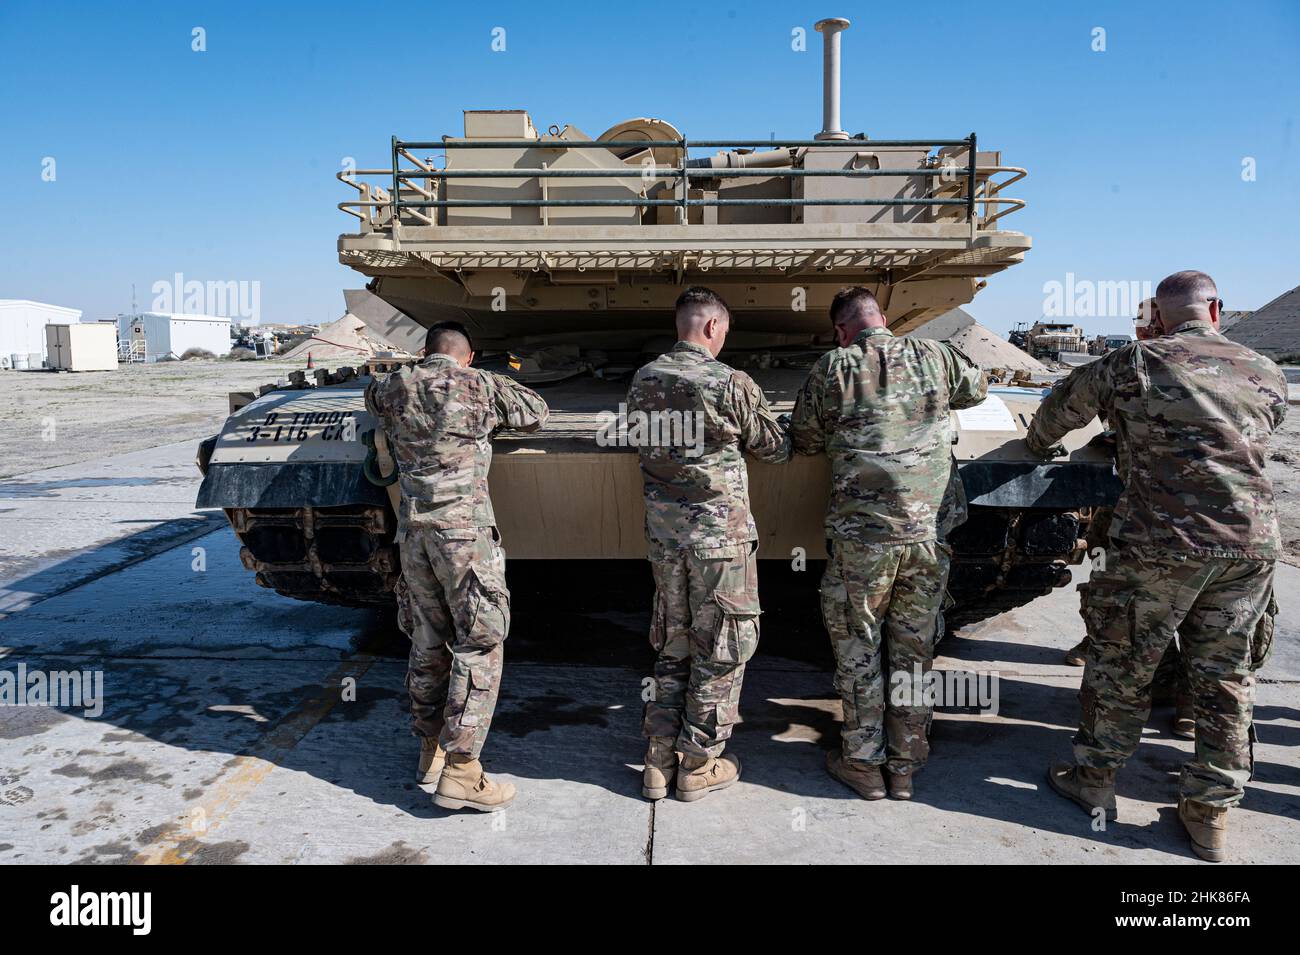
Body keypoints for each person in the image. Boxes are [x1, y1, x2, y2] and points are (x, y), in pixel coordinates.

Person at [1032, 272, 1286, 861]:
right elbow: (1251, 436)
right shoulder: (1264, 368)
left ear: (1159, 315)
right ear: (1216, 309)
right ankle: (1211, 812)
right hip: (1249, 546)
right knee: (1225, 678)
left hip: (1157, 542)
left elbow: (1057, 413)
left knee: (1122, 662)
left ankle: (1094, 780)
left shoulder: (1133, 362)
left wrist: (1052, 446)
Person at [789, 287, 987, 800]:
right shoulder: (935, 354)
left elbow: (805, 438)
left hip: (864, 540)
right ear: (883, 318)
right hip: (925, 536)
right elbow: (978, 389)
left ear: (841, 330)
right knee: (914, 649)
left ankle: (862, 762)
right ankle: (905, 764)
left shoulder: (832, 368)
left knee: (859, 647)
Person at [365, 321, 549, 812]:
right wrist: (493, 378)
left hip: (415, 537)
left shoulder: (391, 387)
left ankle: (429, 749)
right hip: (464, 538)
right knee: (480, 642)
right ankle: (463, 769)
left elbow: (371, 400)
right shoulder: (481, 384)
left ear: (425, 352)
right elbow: (536, 414)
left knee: (427, 641)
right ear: (467, 357)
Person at [627, 287, 790, 802]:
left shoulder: (644, 378)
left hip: (665, 539)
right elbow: (776, 449)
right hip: (719, 542)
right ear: (714, 328)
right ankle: (697, 764)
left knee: (672, 643)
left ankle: (657, 760)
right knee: (722, 648)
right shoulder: (731, 383)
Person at [1063, 299, 1194, 740]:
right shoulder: (1240, 368)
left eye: (1145, 328)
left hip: (1144, 515)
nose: (1141, 335)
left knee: (1130, 605)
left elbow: (1066, 406)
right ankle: (1182, 692)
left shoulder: (1130, 364)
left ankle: (1154, 697)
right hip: (1206, 518)